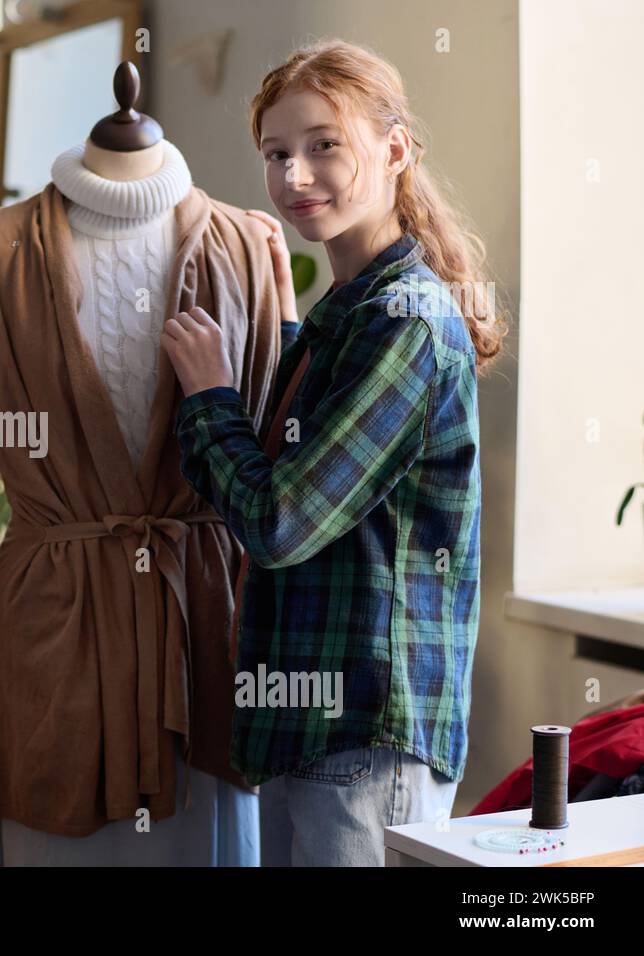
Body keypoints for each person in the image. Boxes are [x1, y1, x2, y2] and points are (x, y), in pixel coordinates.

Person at [160, 39, 507, 865]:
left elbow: (281, 521)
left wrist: (209, 394)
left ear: (395, 149)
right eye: (277, 153)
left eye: (323, 145)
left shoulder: (405, 321)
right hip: (314, 733)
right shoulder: (351, 314)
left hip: (363, 740)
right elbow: (314, 447)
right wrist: (285, 315)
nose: (294, 177)